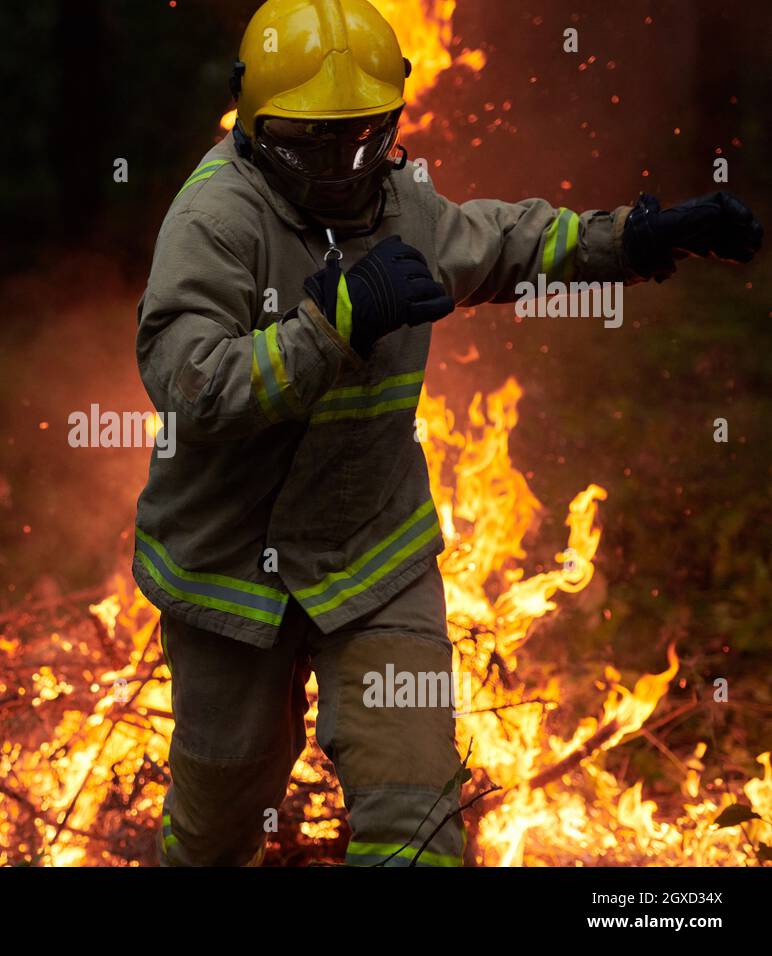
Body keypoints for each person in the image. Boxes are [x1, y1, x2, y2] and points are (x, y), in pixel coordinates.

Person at [133, 0, 762, 867]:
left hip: (371, 562)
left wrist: (635, 236)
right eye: (310, 147)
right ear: (254, 126)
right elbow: (189, 384)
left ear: (389, 126)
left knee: (417, 819)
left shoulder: (403, 206)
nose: (340, 170)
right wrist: (332, 326)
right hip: (229, 582)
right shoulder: (214, 222)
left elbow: (505, 242)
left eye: (361, 141)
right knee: (214, 829)